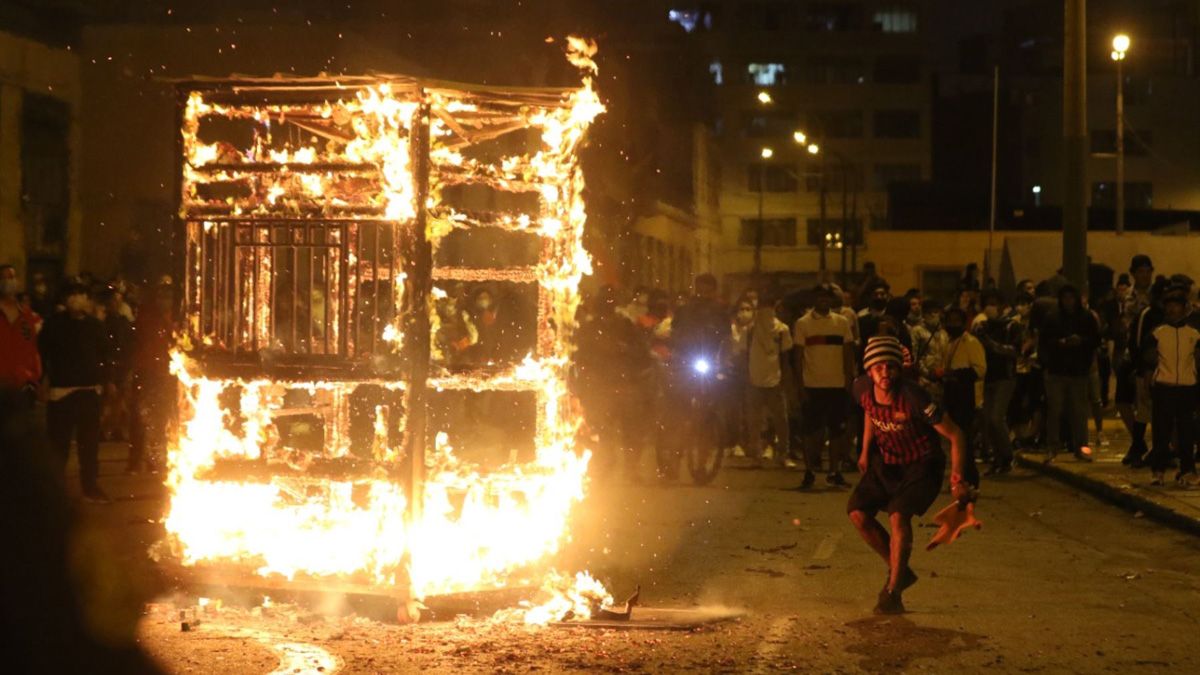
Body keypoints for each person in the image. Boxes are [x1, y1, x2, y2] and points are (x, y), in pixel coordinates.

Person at [848, 336, 968, 615]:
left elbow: (955, 434)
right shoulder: (860, 388)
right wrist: (865, 451)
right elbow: (869, 410)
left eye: (891, 366)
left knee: (898, 516)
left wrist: (957, 478)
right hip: (887, 462)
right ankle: (899, 570)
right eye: (878, 367)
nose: (885, 373)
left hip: (921, 464)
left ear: (899, 369)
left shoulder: (914, 397)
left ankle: (893, 591)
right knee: (857, 513)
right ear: (869, 371)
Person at [38, 284, 113, 503]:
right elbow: (42, 352)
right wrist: (44, 377)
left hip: (89, 392)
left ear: (88, 301)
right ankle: (54, 489)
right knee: (58, 445)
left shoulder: (96, 326)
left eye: (81, 295)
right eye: (72, 295)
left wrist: (106, 380)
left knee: (89, 445)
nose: (76, 300)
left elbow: (106, 354)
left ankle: (90, 487)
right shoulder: (54, 325)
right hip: (61, 392)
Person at [576, 286, 653, 481]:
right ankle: (607, 463)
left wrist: (624, 350)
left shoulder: (625, 326)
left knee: (631, 429)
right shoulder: (590, 328)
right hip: (601, 387)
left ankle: (630, 468)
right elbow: (580, 356)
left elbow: (643, 354)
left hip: (623, 383)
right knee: (603, 429)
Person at [793, 285, 856, 487]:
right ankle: (809, 470)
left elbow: (848, 352)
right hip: (812, 384)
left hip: (837, 385)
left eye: (827, 298)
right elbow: (798, 356)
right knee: (811, 431)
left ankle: (834, 471)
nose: (824, 301)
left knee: (837, 429)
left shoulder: (842, 323)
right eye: (820, 297)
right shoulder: (802, 324)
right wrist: (800, 385)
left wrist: (849, 379)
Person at [1142, 286, 1200, 487]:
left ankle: (1188, 469)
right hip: (1164, 386)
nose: (1173, 310)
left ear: (1184, 308)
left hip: (1187, 387)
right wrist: (1148, 383)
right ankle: (1158, 470)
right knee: (1161, 431)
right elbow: (1148, 360)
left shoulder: (1194, 334)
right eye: (1170, 306)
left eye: (1176, 306)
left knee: (1186, 431)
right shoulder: (1158, 333)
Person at [1039, 284, 1100, 463]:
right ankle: (1052, 446)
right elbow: (1044, 342)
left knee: (1079, 411)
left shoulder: (1086, 317)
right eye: (1065, 298)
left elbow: (1095, 340)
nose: (1068, 302)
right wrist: (1059, 344)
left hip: (1078, 371)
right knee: (1055, 410)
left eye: (1071, 297)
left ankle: (1081, 447)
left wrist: (1081, 341)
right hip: (1057, 370)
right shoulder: (1053, 318)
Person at [129, 281, 179, 474]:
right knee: (140, 417)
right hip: (146, 372)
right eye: (161, 297)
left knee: (161, 419)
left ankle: (153, 461)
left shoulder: (175, 319)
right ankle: (134, 461)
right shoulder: (146, 318)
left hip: (166, 374)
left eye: (168, 298)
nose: (164, 302)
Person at [938, 307, 986, 486]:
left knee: (964, 437)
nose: (953, 324)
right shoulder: (950, 342)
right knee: (955, 438)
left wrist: (955, 374)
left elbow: (980, 370)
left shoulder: (970, 342)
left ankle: (970, 478)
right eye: (950, 321)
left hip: (965, 395)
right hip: (951, 393)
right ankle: (962, 477)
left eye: (957, 321)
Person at [975, 291, 1022, 474]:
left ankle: (1008, 456)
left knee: (996, 418)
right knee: (987, 420)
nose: (990, 308)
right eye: (988, 304)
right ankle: (998, 458)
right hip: (988, 377)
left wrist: (992, 345)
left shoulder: (1012, 326)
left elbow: (1013, 351)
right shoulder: (983, 326)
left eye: (994, 304)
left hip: (1005, 376)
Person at [745, 297, 793, 467]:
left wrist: (785, 380)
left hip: (775, 379)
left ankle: (782, 454)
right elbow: (746, 353)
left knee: (781, 419)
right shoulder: (751, 329)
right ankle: (756, 455)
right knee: (754, 420)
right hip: (754, 379)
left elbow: (785, 357)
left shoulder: (782, 330)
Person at [1116, 255, 1155, 465]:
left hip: (1149, 353)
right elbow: (1125, 325)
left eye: (1147, 271)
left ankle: (1152, 445)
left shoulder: (1156, 295)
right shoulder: (1128, 296)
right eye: (1140, 271)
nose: (1144, 275)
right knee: (1122, 401)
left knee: (1147, 402)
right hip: (1131, 352)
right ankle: (1138, 442)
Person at [910, 300, 947, 398]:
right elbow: (915, 356)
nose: (932, 315)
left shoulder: (944, 333)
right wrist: (927, 373)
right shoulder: (917, 331)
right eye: (929, 312)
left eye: (935, 312)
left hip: (941, 380)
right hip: (924, 380)